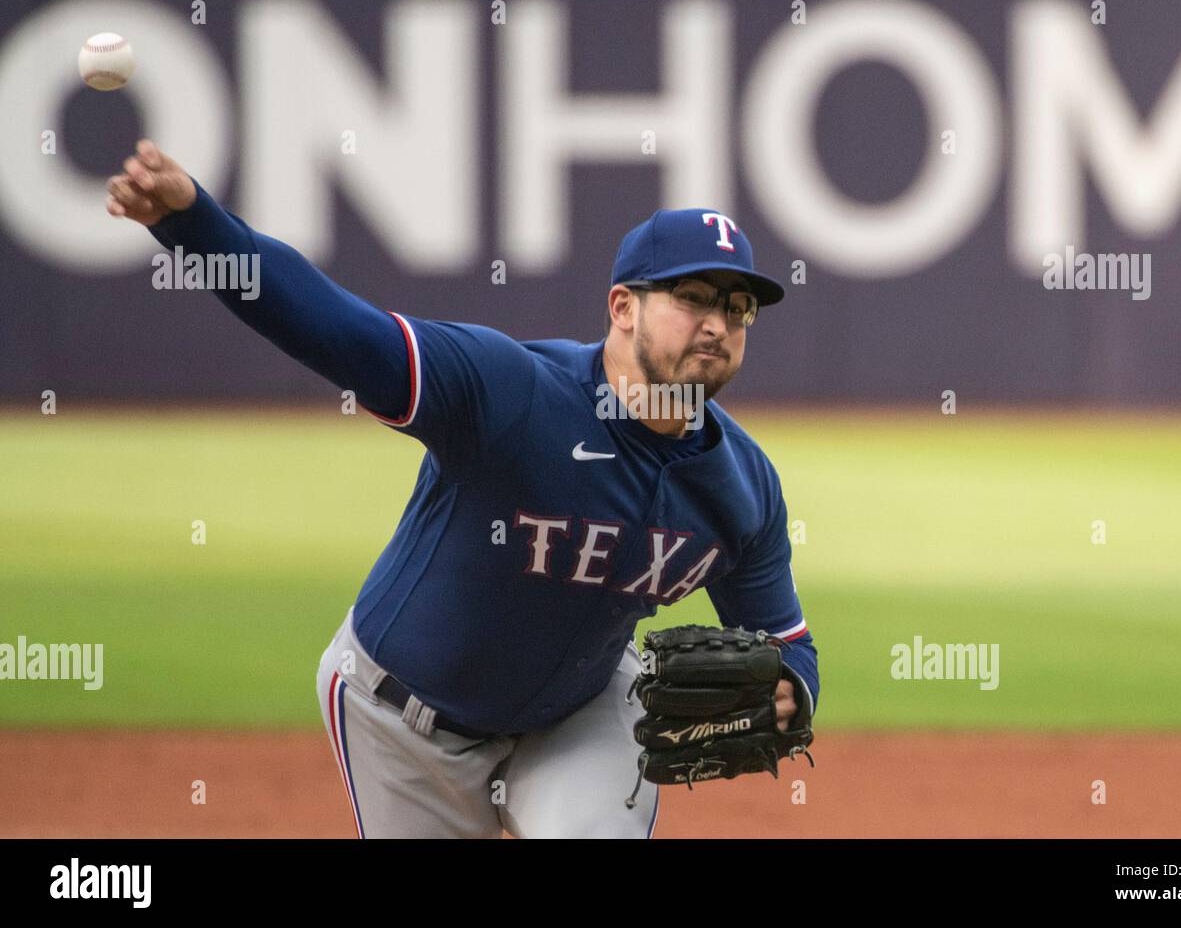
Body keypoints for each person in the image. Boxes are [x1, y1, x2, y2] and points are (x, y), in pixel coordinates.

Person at [106, 138, 820, 838]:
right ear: (623, 307)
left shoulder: (743, 487)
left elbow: (787, 640)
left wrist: (792, 689)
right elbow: (333, 327)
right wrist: (192, 223)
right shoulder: (512, 394)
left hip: (577, 715)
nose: (717, 324)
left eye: (737, 308)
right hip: (399, 719)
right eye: (692, 297)